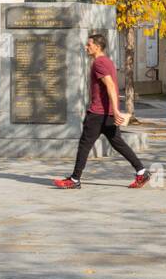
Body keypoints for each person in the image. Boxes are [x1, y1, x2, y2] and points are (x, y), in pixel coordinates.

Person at [53, 32, 151, 189]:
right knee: (118, 143)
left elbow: (111, 86)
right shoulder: (108, 62)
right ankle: (142, 171)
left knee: (84, 144)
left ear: (97, 47)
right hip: (107, 114)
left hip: (99, 113)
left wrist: (117, 111)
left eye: (89, 45)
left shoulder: (99, 63)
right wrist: (115, 111)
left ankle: (75, 179)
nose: (86, 47)